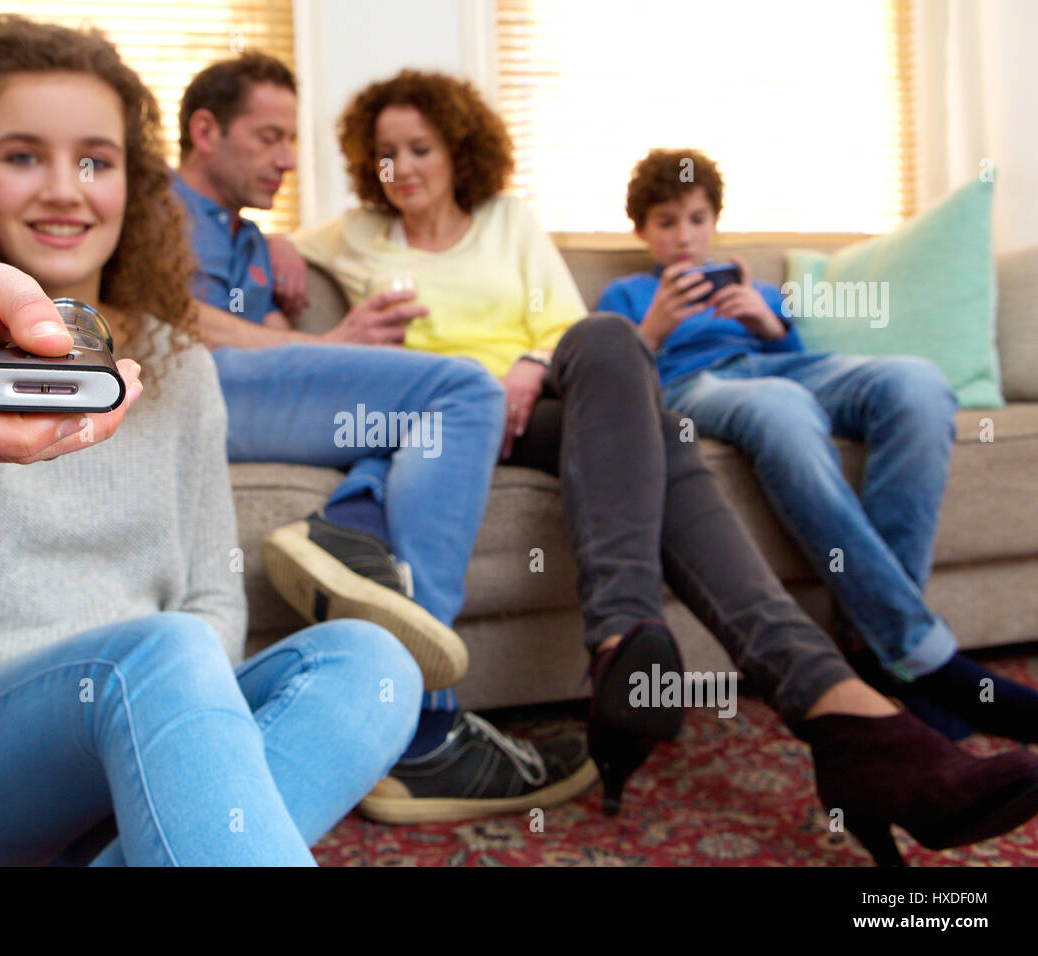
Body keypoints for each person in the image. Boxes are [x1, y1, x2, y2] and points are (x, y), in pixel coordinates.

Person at [290, 68, 1038, 863]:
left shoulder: (507, 222)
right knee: (668, 422)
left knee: (621, 361)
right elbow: (274, 246)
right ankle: (839, 714)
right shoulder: (352, 236)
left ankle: (634, 643)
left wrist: (528, 367)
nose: (401, 168)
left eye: (420, 149)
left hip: (536, 404)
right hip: (441, 415)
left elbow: (569, 325)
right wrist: (270, 246)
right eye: (384, 154)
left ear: (457, 148)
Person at [0, 15, 423, 867]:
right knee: (159, 651)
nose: (65, 188)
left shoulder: (180, 365)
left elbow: (214, 598)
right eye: (22, 156)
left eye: (95, 160)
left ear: (134, 182)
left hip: (140, 733)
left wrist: (163, 755)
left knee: (373, 661)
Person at [170, 53, 596, 821]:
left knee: (406, 426)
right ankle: (425, 723)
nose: (289, 159)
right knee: (464, 387)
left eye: (293, 139)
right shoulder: (155, 209)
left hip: (245, 397)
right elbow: (169, 318)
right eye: (269, 138)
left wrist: (281, 250)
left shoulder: (251, 241)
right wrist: (333, 348)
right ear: (205, 131)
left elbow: (270, 334)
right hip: (193, 393)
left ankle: (347, 527)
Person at [598, 148, 1038, 744]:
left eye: (697, 219)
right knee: (784, 406)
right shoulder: (627, 294)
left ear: (714, 223)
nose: (683, 236)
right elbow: (617, 375)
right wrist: (655, 326)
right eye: (666, 222)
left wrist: (767, 322)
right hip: (696, 384)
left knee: (919, 384)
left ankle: (876, 645)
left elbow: (796, 355)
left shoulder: (754, 288)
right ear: (642, 231)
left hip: (785, 367)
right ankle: (922, 657)